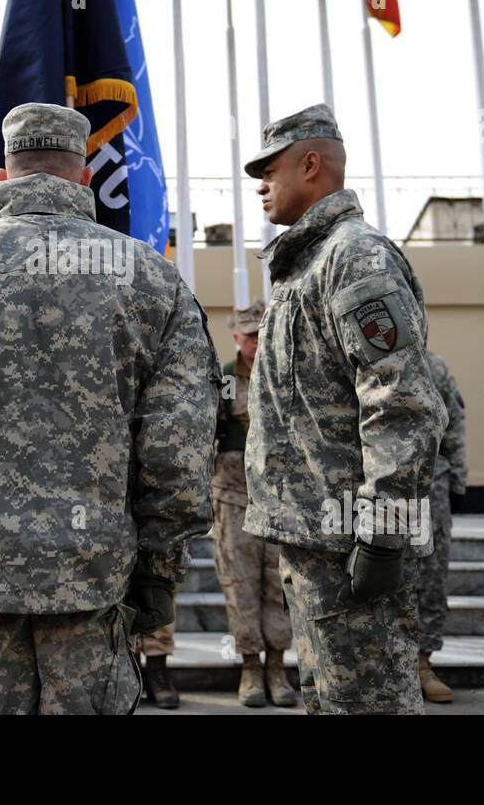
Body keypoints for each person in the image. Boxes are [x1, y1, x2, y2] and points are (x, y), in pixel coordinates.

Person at [0, 102, 218, 715]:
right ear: (83, 178)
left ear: (3, 176)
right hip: (95, 576)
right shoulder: (151, 278)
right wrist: (161, 568)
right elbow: (177, 444)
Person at [242, 103, 445, 716]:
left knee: (366, 705)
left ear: (310, 165)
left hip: (352, 545)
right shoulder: (305, 264)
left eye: (268, 169)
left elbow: (401, 402)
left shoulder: (355, 257)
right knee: (332, 702)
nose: (259, 185)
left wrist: (382, 537)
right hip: (315, 538)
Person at [215, 301, 296, 708]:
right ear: (236, 338)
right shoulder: (225, 379)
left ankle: (278, 667)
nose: (256, 341)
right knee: (240, 584)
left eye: (262, 333)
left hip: (281, 498)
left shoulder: (287, 373)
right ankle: (250, 667)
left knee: (279, 584)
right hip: (234, 498)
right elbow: (208, 432)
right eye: (248, 335)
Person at [417, 349, 467, 704]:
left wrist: (458, 480)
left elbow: (455, 421)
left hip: (431, 480)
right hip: (372, 485)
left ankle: (422, 662)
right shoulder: (360, 355)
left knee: (431, 576)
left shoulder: (434, 366)